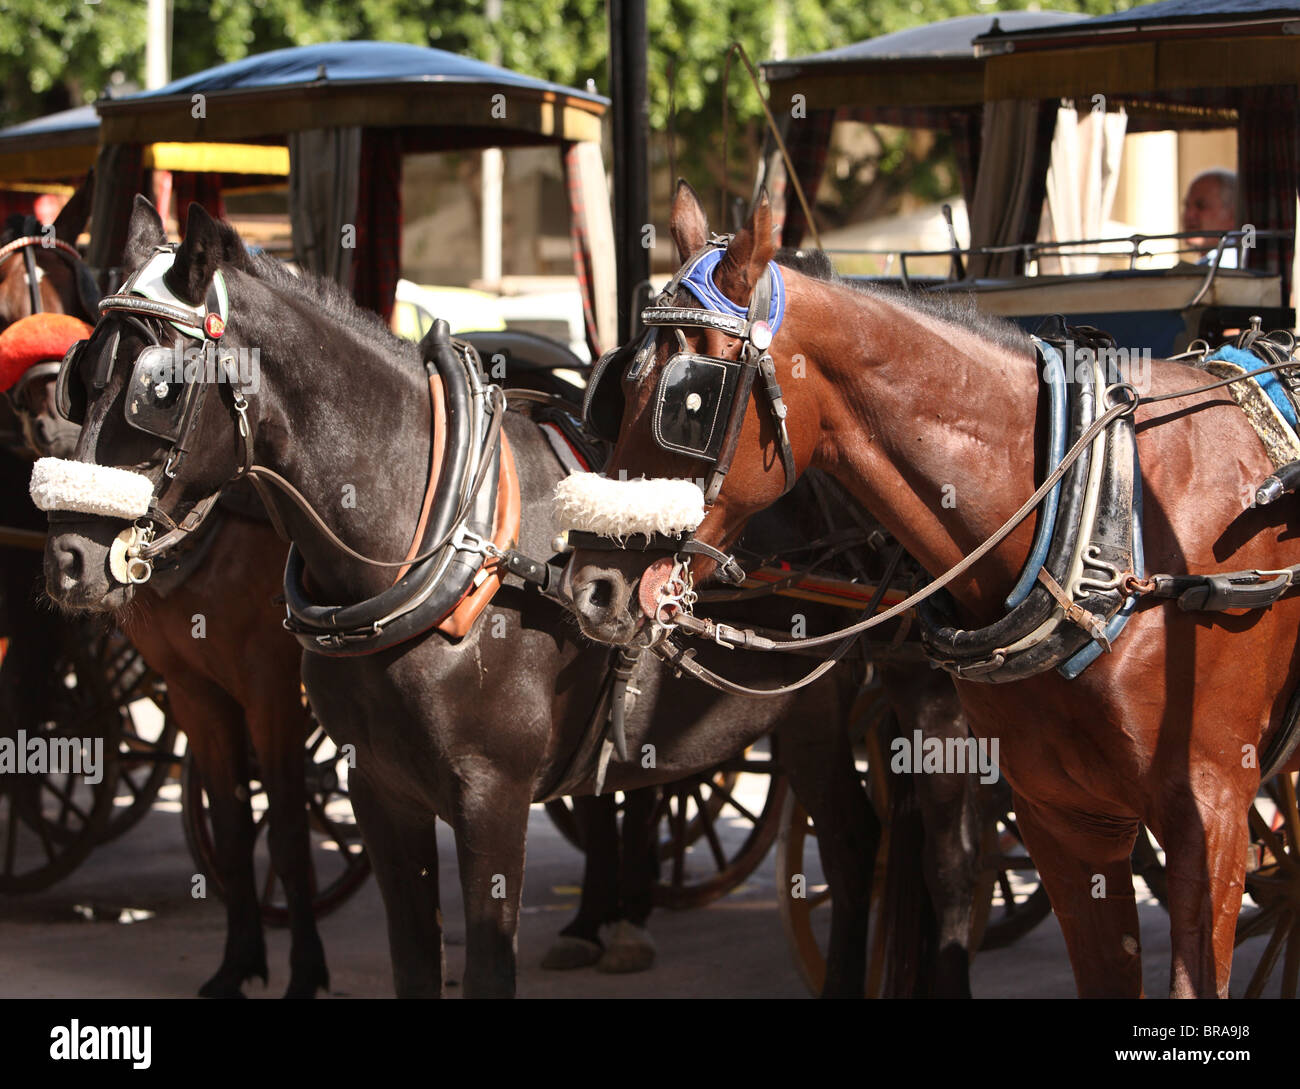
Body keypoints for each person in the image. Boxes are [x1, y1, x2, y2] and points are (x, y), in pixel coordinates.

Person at [1182, 168, 1239, 267]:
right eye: (1187, 206)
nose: (1189, 215)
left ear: (1232, 215)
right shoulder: (1206, 264)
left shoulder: (1231, 266)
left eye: (1201, 206)